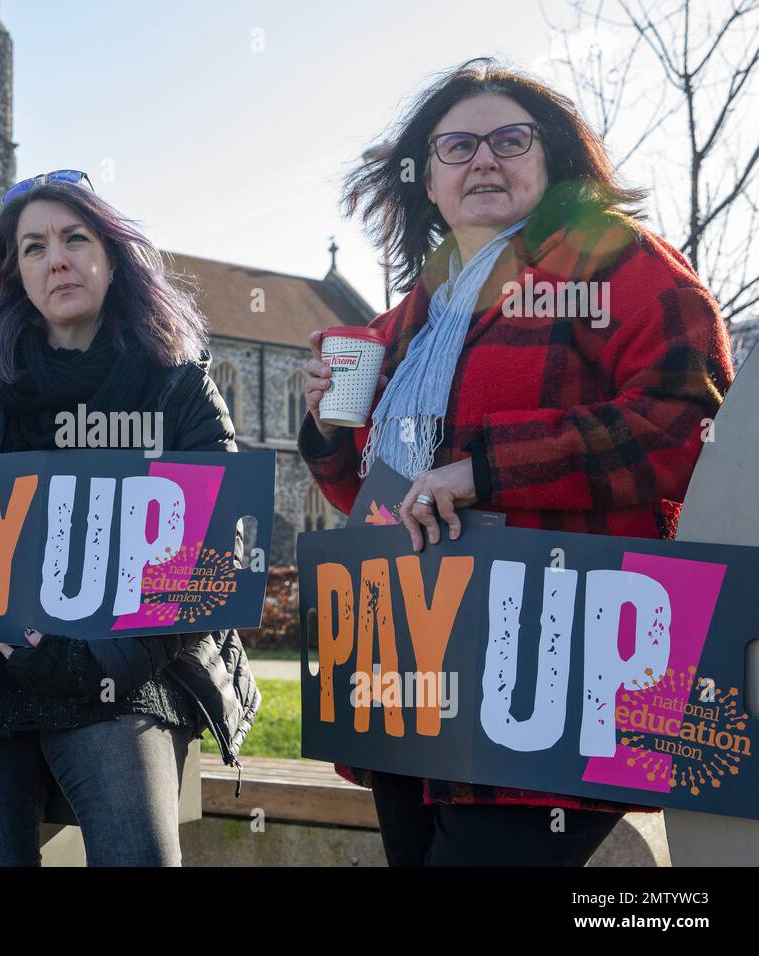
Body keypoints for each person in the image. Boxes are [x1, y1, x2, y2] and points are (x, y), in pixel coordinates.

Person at [298, 59, 734, 866]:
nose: (484, 161)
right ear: (426, 178)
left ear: (552, 158)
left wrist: (485, 470)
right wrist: (328, 429)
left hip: (565, 660)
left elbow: (690, 427)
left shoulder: (614, 263)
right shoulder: (405, 319)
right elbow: (369, 494)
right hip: (413, 658)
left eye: (509, 139)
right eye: (456, 147)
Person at [0, 170, 261, 867]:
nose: (55, 258)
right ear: (15, 273)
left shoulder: (177, 380)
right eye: (33, 247)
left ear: (112, 256)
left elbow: (212, 561)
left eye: (74, 238)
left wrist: (87, 663)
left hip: (124, 672)